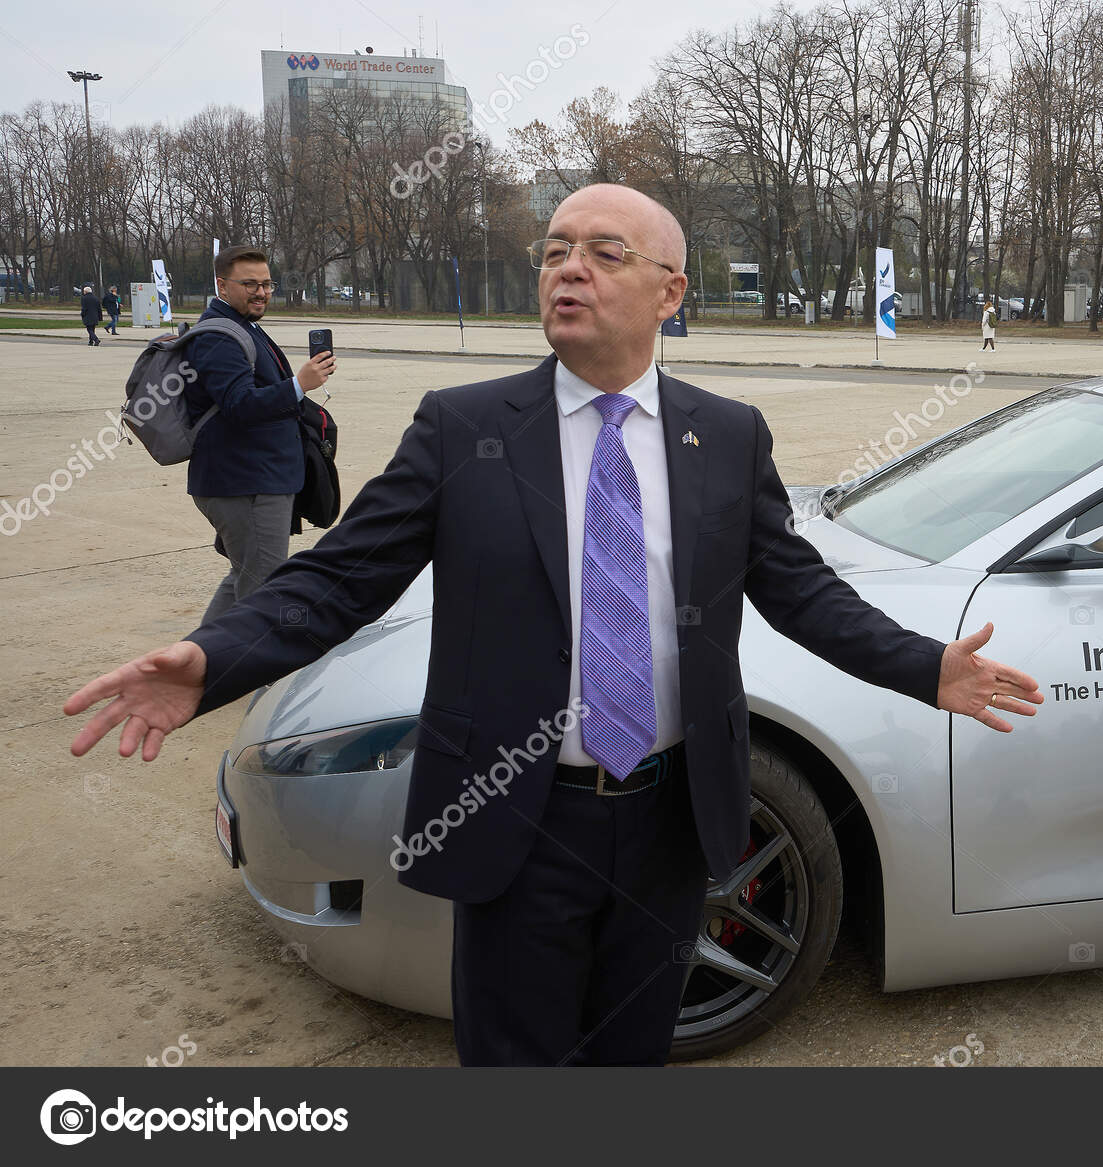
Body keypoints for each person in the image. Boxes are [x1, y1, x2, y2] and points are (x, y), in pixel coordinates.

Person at [65, 184, 1044, 1068]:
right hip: (515, 821)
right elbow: (337, 579)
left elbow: (798, 590)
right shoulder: (462, 428)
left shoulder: (727, 434)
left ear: (671, 293)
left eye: (605, 252)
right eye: (554, 248)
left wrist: (925, 667)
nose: (568, 266)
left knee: (630, 1054)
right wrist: (212, 659)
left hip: (672, 820)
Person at [186, 245, 337, 621]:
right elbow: (240, 405)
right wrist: (298, 385)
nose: (261, 292)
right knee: (264, 593)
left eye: (267, 284)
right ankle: (245, 676)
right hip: (245, 484)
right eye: (250, 283)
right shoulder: (218, 337)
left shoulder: (242, 328)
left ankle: (201, 666)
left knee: (246, 577)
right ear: (223, 286)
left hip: (256, 479)